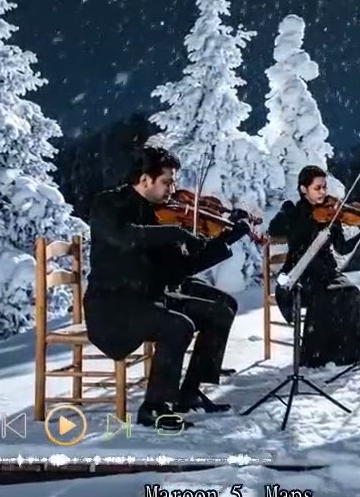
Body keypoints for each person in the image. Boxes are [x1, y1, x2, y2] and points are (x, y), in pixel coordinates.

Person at [84, 146, 252, 431]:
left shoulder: (161, 215)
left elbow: (182, 267)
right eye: (167, 181)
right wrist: (174, 232)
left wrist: (226, 238)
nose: (173, 189)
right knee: (178, 326)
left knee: (221, 310)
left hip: (149, 298)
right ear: (144, 179)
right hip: (113, 307)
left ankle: (189, 392)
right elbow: (123, 237)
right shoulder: (108, 204)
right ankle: (155, 409)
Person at [266, 165, 360, 368]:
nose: (323, 192)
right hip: (300, 273)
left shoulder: (331, 213)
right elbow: (274, 229)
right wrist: (307, 219)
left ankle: (349, 355)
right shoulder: (292, 211)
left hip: (326, 271)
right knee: (325, 295)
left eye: (324, 187)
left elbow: (341, 248)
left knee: (352, 293)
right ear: (304, 190)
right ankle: (316, 358)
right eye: (318, 188)